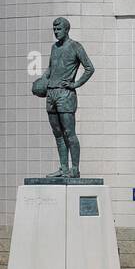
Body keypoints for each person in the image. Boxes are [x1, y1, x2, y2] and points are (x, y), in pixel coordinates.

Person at [42, 17, 95, 179]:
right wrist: (42, 81)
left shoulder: (75, 46)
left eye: (59, 29)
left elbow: (89, 68)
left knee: (69, 132)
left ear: (66, 29)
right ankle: (63, 168)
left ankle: (75, 169)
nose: (56, 32)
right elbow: (50, 69)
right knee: (57, 133)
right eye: (54, 29)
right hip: (51, 93)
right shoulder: (54, 48)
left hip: (65, 95)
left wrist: (76, 84)